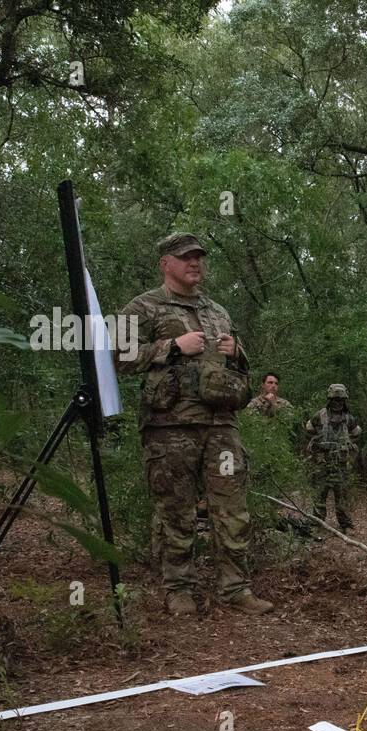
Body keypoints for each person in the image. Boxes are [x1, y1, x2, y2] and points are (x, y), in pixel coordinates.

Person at [117, 232, 273, 616]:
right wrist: (172, 346)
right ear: (165, 263)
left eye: (199, 257)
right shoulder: (143, 308)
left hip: (222, 424)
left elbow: (240, 363)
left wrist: (237, 352)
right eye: (186, 257)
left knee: (231, 508)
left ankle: (236, 588)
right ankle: (178, 589)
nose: (195, 263)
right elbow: (117, 358)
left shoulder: (218, 310)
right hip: (170, 426)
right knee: (176, 509)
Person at [306, 384, 362, 532]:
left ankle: (345, 524)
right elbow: (309, 428)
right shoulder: (320, 415)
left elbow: (357, 433)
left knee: (342, 494)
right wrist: (317, 441)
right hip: (322, 461)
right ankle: (317, 523)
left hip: (341, 463)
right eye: (335, 400)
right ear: (330, 400)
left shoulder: (349, 418)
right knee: (319, 493)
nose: (338, 403)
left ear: (345, 401)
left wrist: (348, 444)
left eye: (341, 400)